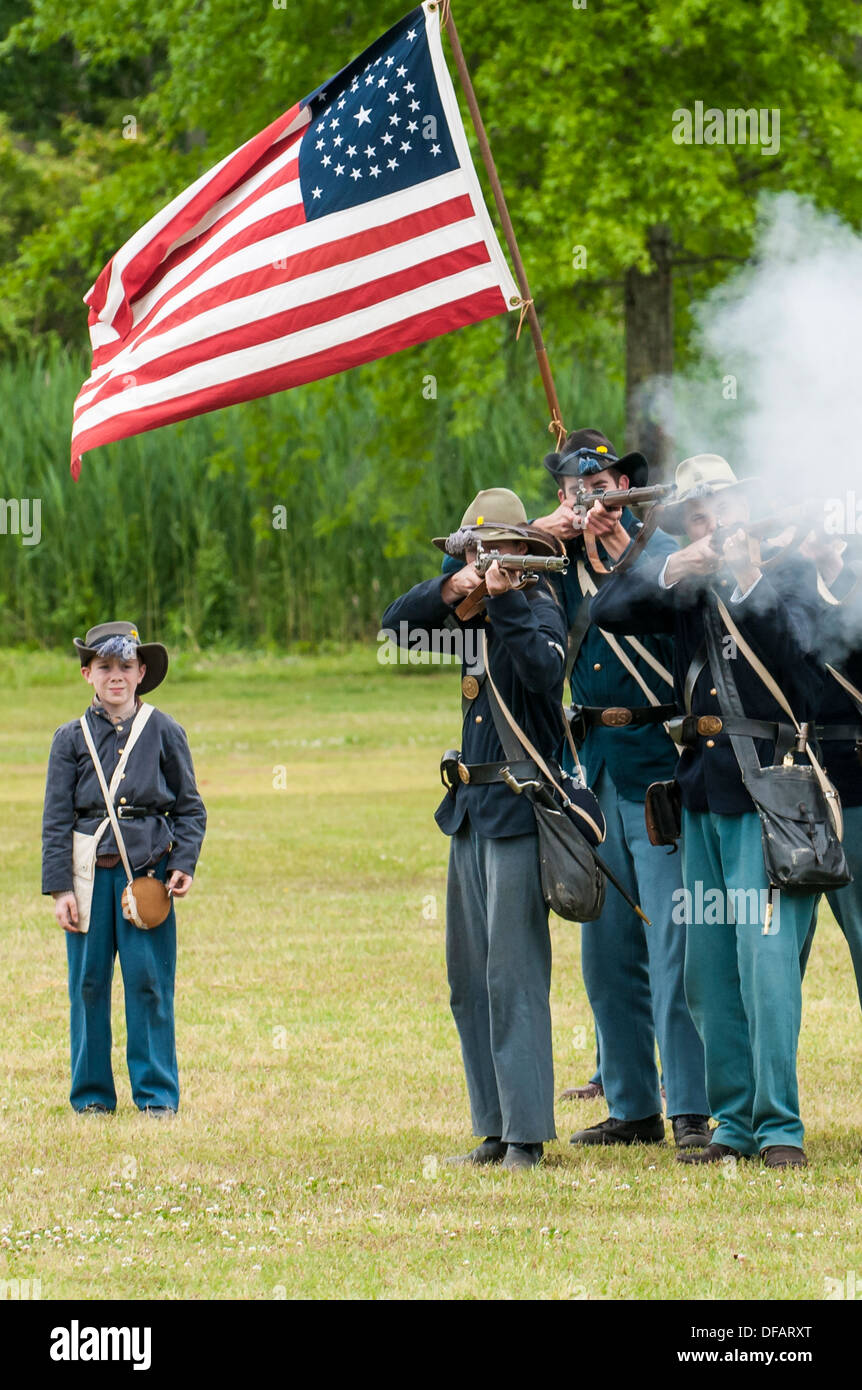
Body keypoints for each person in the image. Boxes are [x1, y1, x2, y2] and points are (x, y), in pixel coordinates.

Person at [590, 455, 823, 1168]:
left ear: (739, 506)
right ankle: (732, 1123)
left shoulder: (782, 575)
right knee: (708, 971)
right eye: (693, 514)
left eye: (715, 507)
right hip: (698, 792)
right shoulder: (685, 591)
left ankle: (779, 1127)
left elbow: (802, 658)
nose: (707, 521)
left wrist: (748, 574)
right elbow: (608, 610)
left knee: (766, 968)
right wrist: (671, 565)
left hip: (765, 793)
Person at [381, 489, 568, 1170]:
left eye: (491, 550)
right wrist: (459, 584)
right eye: (473, 550)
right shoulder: (468, 612)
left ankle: (527, 1134)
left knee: (513, 977)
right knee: (468, 980)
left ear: (519, 550)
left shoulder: (540, 606)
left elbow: (545, 674)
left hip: (518, 812)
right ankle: (492, 1126)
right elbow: (396, 626)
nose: (482, 560)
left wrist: (507, 598)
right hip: (469, 811)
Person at [533, 429, 710, 1150]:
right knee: (605, 953)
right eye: (580, 490)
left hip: (656, 763)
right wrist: (547, 531)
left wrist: (615, 548)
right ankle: (633, 1105)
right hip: (592, 767)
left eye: (605, 485)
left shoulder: (660, 555)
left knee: (674, 945)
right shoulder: (553, 559)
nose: (596, 498)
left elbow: (663, 600)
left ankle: (691, 1109)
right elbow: (478, 562)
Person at [42, 621, 207, 1117]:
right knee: (88, 985)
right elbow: (55, 818)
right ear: (87, 673)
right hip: (88, 876)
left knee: (149, 983)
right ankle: (91, 1097)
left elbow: (190, 808)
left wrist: (183, 862)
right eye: (105, 666)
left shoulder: (165, 730)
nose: (116, 675)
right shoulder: (68, 739)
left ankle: (157, 1097)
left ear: (141, 673)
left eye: (126, 666)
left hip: (148, 875)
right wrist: (59, 889)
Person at [797, 532, 862, 1008]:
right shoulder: (777, 579)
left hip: (854, 780)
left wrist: (835, 569)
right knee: (780, 944)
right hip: (789, 781)